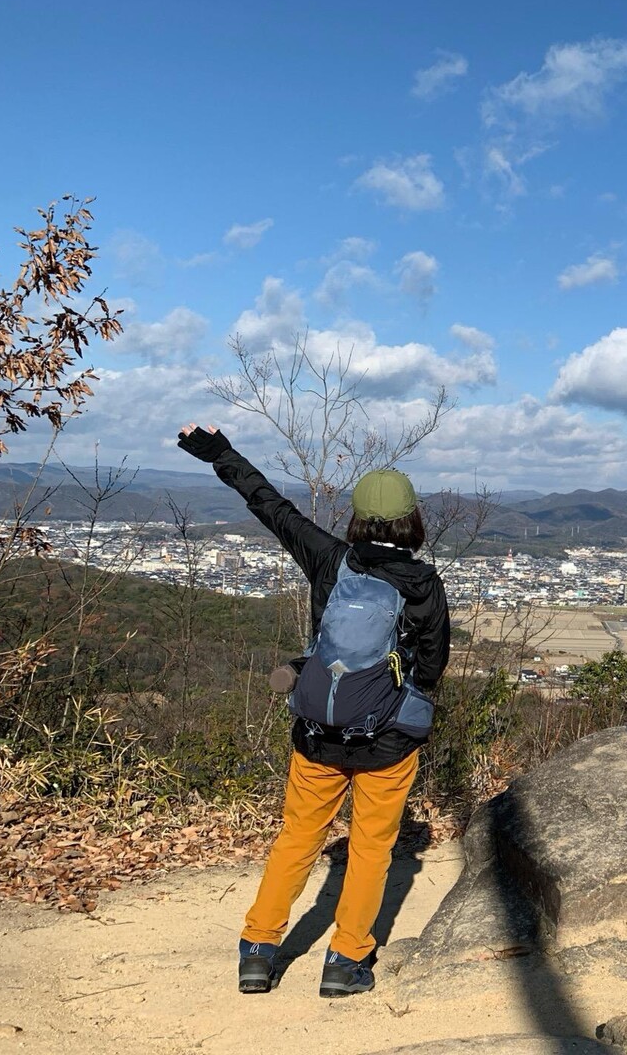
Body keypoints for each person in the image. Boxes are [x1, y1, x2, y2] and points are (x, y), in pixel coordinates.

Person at [176, 424, 450, 998]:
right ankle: (346, 962)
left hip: (317, 732)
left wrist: (217, 450)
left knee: (298, 839)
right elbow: (431, 665)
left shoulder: (331, 558)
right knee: (371, 849)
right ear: (411, 519)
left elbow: (270, 507)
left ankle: (258, 950)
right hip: (387, 743)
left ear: (357, 516)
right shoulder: (423, 582)